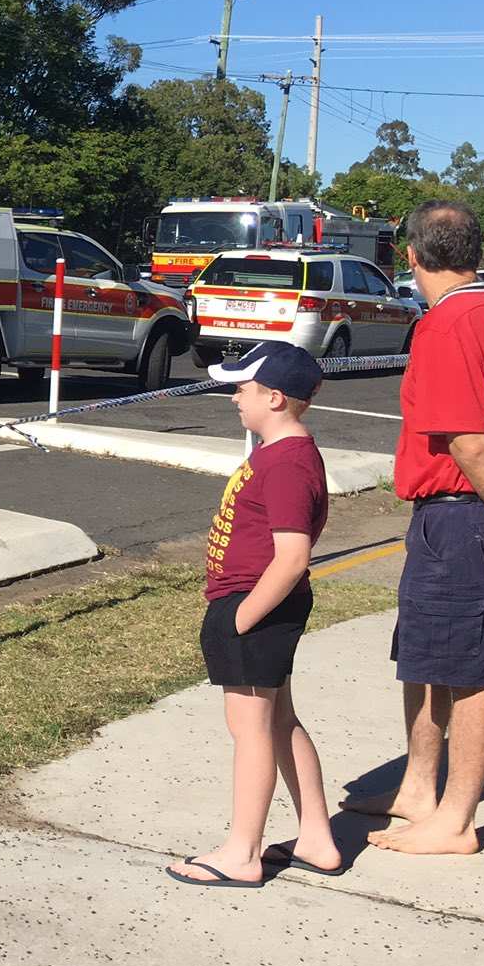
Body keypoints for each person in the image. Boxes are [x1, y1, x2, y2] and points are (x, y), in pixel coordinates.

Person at [345, 199, 484, 855]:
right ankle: (417, 787)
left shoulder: (445, 326)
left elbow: (467, 443)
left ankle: (457, 820)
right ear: (473, 252)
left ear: (410, 256)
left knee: (465, 672)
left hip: (464, 518)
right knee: (427, 661)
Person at [169, 342, 335, 888]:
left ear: (275, 396)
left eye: (242, 388)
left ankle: (242, 852)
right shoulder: (280, 452)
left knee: (252, 729)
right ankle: (316, 838)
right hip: (252, 601)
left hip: (253, 603)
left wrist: (240, 621)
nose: (234, 397)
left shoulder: (288, 462)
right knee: (279, 720)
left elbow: (291, 558)